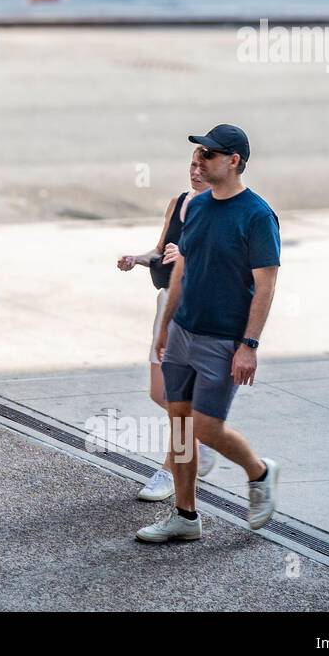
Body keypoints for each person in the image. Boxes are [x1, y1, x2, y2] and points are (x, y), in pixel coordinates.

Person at [136, 125, 281, 543]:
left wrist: (249, 345)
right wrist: (165, 328)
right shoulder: (196, 208)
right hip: (183, 332)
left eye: (209, 156)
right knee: (180, 426)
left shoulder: (256, 214)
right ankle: (185, 516)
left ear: (234, 161)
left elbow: (266, 282)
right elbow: (182, 269)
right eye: (197, 156)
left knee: (206, 427)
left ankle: (260, 472)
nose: (198, 163)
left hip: (222, 339)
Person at [116, 152, 213, 500]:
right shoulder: (180, 202)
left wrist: (186, 259)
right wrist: (137, 259)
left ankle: (169, 473)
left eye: (203, 166)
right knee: (159, 393)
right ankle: (206, 435)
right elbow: (160, 250)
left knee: (178, 403)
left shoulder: (220, 211)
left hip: (193, 312)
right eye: (192, 165)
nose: (196, 172)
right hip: (165, 305)